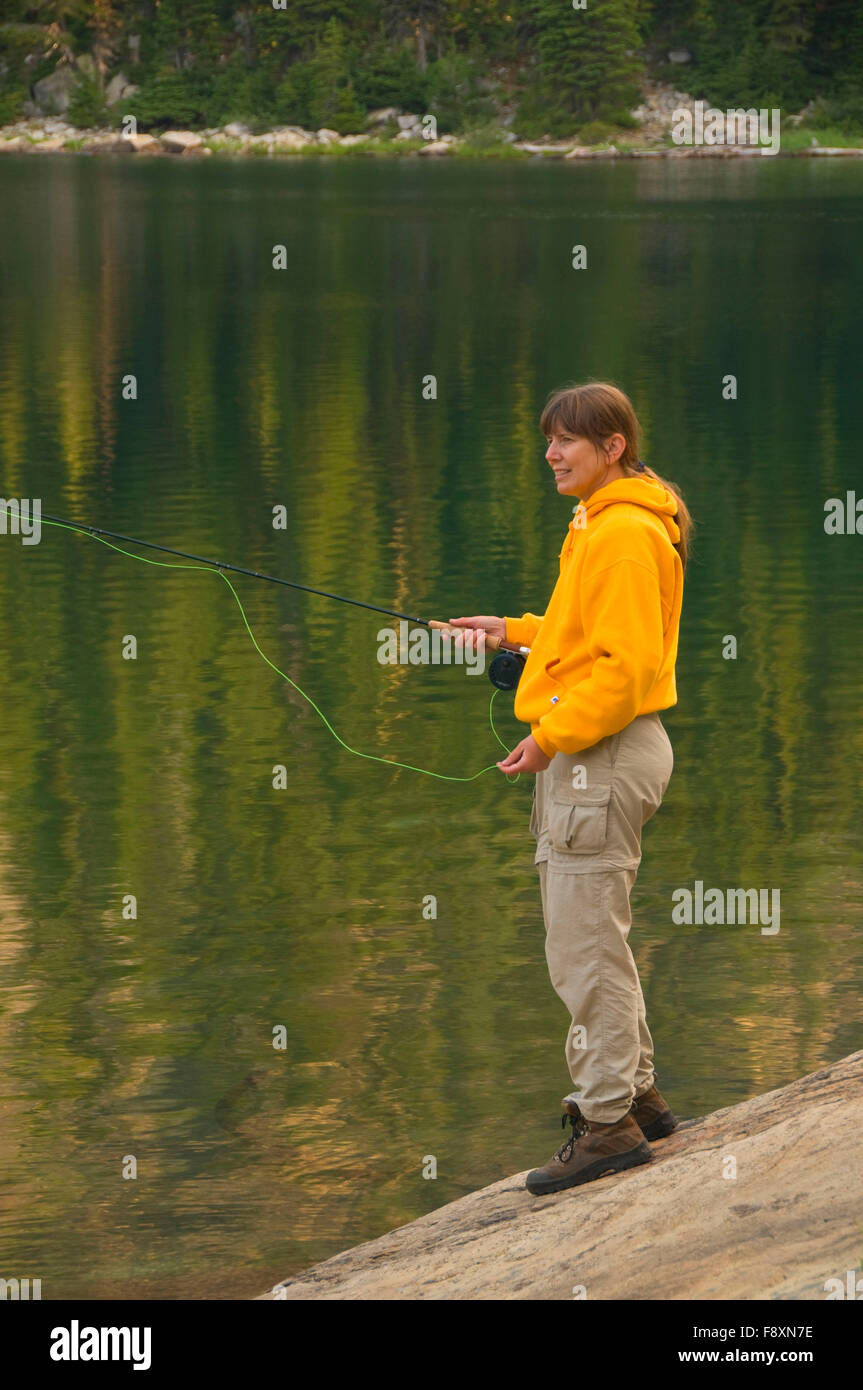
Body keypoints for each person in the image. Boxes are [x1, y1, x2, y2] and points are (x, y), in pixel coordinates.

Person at [450, 381, 691, 1196]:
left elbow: (621, 674)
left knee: (582, 945)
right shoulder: (604, 521)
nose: (551, 454)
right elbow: (589, 634)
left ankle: (605, 1126)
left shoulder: (623, 534)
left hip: (602, 753)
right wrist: (514, 632)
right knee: (592, 935)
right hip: (598, 754)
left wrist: (548, 738)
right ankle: (639, 1099)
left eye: (567, 442)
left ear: (612, 446)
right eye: (548, 439)